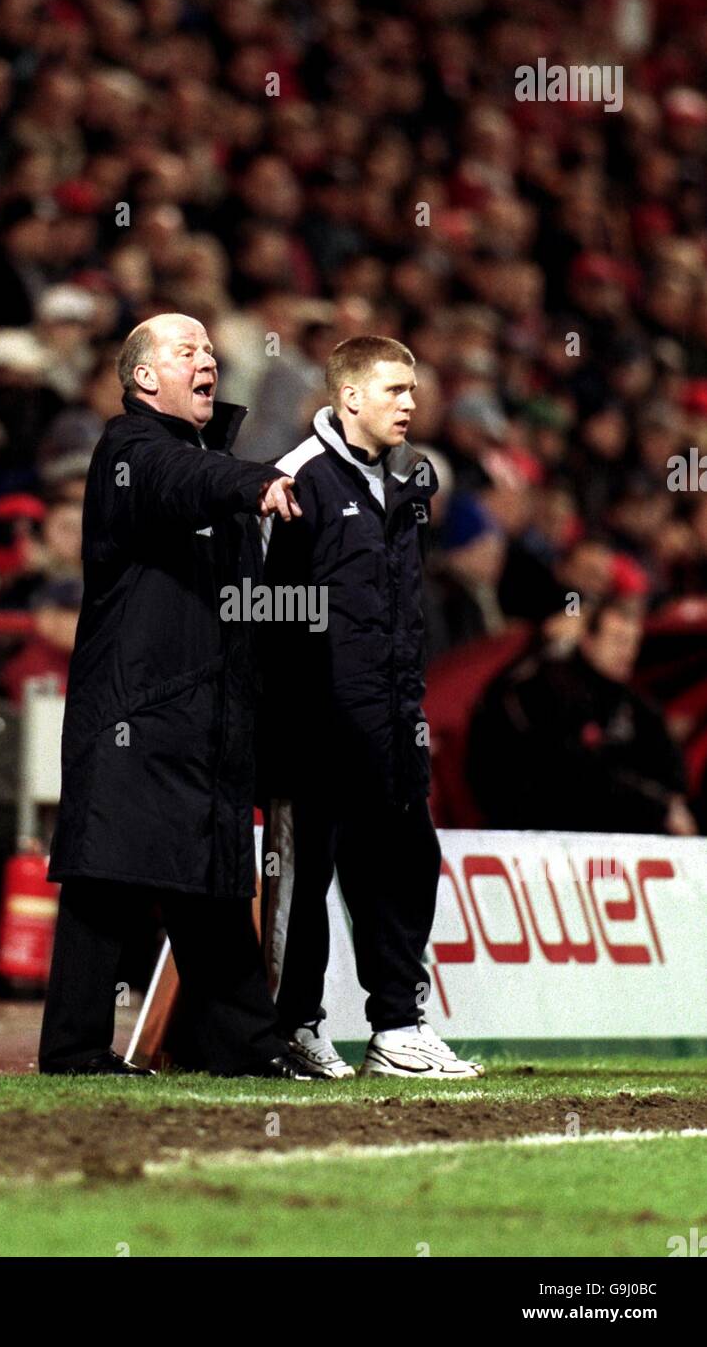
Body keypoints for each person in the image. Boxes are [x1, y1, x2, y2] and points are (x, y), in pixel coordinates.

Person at [39, 312, 320, 1078]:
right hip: (134, 711)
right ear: (142, 378)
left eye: (208, 349)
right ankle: (74, 1050)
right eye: (184, 350)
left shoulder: (212, 469)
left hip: (204, 717)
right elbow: (181, 480)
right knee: (106, 881)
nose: (206, 360)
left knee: (212, 887)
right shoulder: (129, 451)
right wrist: (255, 480)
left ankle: (244, 1046)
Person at [258, 336, 484, 1079]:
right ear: (349, 397)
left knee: (403, 867)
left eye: (413, 391)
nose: (410, 404)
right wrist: (295, 714)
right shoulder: (295, 483)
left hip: (391, 723)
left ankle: (398, 1026)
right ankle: (292, 1026)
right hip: (315, 727)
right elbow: (266, 610)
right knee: (304, 878)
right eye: (394, 391)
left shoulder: (406, 483)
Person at [466, 597, 698, 836]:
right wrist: (656, 806)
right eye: (618, 640)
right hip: (542, 828)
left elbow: (674, 773)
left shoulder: (636, 705)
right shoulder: (549, 686)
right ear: (587, 640)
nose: (627, 651)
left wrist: (665, 803)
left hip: (615, 835)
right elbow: (574, 773)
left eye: (633, 642)